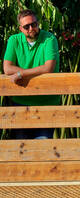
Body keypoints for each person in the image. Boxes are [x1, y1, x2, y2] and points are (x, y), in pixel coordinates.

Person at [4, 9, 60, 139]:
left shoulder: (49, 38)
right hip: (21, 100)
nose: (31, 28)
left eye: (34, 24)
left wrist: (20, 74)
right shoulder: (14, 40)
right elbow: (7, 68)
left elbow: (48, 67)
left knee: (43, 143)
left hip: (47, 102)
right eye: (26, 26)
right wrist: (23, 73)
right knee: (22, 146)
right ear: (20, 28)